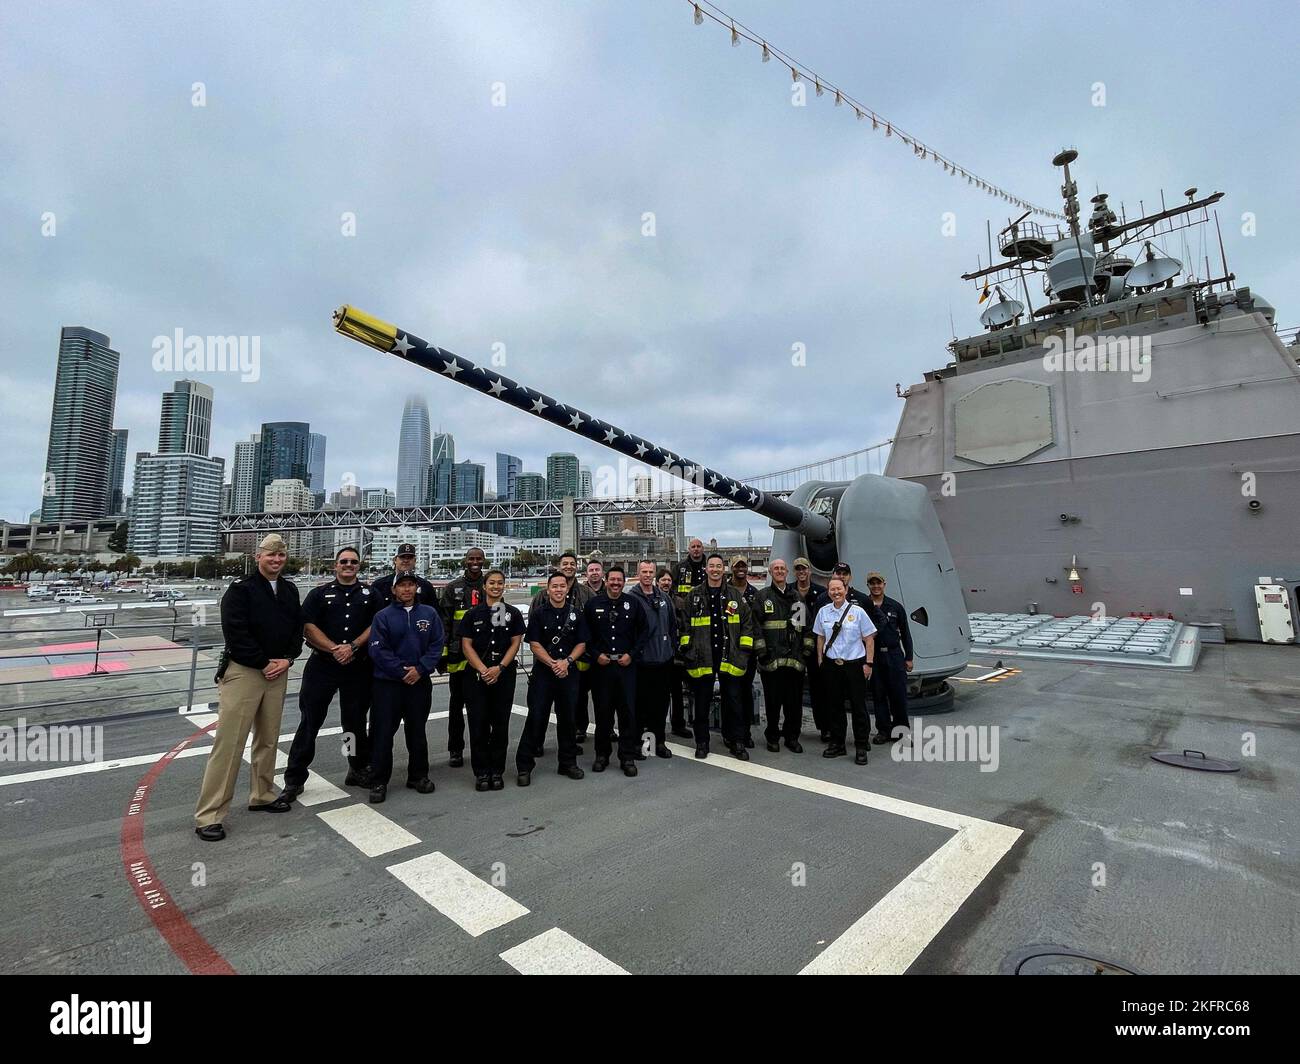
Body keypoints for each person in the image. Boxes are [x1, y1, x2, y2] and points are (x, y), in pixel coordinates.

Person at [194, 534, 303, 841]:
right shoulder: (241, 590)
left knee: (268, 739)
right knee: (230, 745)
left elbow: (298, 627)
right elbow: (235, 632)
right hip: (244, 672)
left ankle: (263, 794)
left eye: (281, 555)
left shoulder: (289, 589)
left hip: (278, 671)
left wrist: (288, 658)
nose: (277, 560)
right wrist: (263, 662)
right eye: (271, 555)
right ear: (258, 557)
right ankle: (209, 815)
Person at [281, 546, 377, 802]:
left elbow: (376, 623)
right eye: (343, 561)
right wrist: (335, 649)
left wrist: (353, 646)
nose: (348, 565)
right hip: (323, 665)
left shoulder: (370, 594)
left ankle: (355, 766)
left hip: (357, 667)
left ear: (359, 566)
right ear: (335, 566)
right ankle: (295, 778)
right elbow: (308, 626)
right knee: (310, 722)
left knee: (354, 723)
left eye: (353, 562)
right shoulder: (319, 594)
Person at [368, 572, 445, 802]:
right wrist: (401, 672)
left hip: (419, 683)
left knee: (417, 731)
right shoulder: (382, 616)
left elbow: (436, 644)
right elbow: (377, 649)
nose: (407, 589)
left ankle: (418, 775)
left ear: (416, 589)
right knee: (382, 733)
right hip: (388, 685)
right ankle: (379, 780)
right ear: (393, 590)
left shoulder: (429, 614)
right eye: (402, 586)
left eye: (411, 585)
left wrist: (420, 669)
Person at [679, 553, 756, 760]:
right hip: (703, 658)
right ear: (706, 569)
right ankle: (702, 742)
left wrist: (743, 651)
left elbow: (747, 624)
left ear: (724, 570)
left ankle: (736, 741)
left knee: (734, 702)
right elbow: (684, 626)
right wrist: (688, 650)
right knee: (702, 703)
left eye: (718, 566)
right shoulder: (693, 596)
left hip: (729, 657)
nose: (715, 570)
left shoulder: (735, 596)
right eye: (711, 566)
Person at [517, 571, 588, 786]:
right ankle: (524, 766)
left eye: (562, 586)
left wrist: (566, 662)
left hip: (568, 672)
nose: (558, 590)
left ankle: (567, 763)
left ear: (567, 589)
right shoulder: (539, 614)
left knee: (567, 720)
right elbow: (534, 643)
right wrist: (553, 664)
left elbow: (582, 643)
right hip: (544, 674)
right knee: (536, 717)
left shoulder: (576, 614)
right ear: (547, 590)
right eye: (554, 586)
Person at [458, 569, 525, 791]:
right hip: (477, 676)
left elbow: (516, 642)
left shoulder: (513, 614)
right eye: (492, 583)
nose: (496, 586)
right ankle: (481, 772)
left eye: (500, 583)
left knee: (500, 725)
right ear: (484, 587)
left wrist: (500, 667)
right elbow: (466, 644)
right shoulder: (472, 614)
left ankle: (497, 771)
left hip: (503, 675)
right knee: (478, 725)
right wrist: (483, 669)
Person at [531, 552, 597, 747]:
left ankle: (576, 736)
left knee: (575, 703)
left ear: (577, 567)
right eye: (565, 564)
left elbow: (593, 626)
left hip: (578, 660)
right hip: (545, 663)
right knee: (540, 707)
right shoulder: (541, 597)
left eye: (572, 564)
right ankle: (537, 742)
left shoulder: (587, 594)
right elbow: (534, 630)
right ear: (559, 567)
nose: (569, 567)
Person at [584, 565, 646, 775]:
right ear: (606, 580)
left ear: (624, 581)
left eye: (620, 580)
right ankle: (602, 755)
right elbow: (586, 635)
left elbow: (643, 633)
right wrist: (595, 654)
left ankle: (627, 757)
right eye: (612, 579)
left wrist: (632, 654)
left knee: (627, 713)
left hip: (626, 667)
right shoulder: (593, 605)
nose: (616, 583)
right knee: (603, 714)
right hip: (602, 669)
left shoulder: (633, 604)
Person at [813, 576, 876, 764]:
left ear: (846, 590)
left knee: (858, 707)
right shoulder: (823, 612)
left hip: (854, 664)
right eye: (832, 589)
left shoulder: (858, 612)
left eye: (839, 589)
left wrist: (869, 664)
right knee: (834, 706)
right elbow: (820, 638)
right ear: (828, 591)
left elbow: (869, 639)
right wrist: (820, 661)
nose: (836, 592)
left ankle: (861, 746)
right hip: (832, 665)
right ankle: (838, 743)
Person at [438, 547, 487, 767]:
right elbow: (444, 623)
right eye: (471, 559)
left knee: (484, 706)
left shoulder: (490, 586)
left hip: (484, 655)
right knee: (456, 706)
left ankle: (482, 744)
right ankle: (455, 749)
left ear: (483, 561)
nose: (475, 562)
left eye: (478, 559)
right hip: (458, 656)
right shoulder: (452, 588)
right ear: (465, 562)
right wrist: (443, 655)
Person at [752, 559, 806, 753]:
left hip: (794, 661)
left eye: (783, 568)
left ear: (787, 572)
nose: (780, 571)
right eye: (776, 568)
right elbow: (756, 627)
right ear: (770, 572)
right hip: (771, 661)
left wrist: (805, 651)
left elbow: (802, 627)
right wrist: (761, 653)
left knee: (794, 704)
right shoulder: (762, 597)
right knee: (773, 703)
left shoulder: (797, 598)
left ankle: (792, 737)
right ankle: (773, 737)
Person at [628, 560, 678, 758]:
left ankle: (659, 743)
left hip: (663, 661)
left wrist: (672, 648)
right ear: (638, 573)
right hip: (642, 663)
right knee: (641, 706)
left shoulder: (664, 598)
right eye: (644, 572)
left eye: (651, 572)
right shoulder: (631, 599)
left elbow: (673, 626)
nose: (647, 575)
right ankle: (640, 744)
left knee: (660, 705)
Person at [865, 571, 914, 744]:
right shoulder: (865, 607)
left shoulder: (895, 607)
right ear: (868, 586)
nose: (876, 586)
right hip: (875, 655)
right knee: (879, 695)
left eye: (879, 583)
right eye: (872, 583)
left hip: (894, 655)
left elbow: (906, 633)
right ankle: (883, 731)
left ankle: (901, 732)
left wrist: (909, 657)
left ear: (884, 584)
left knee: (898, 695)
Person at [793, 558, 829, 741]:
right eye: (798, 569)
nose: (801, 572)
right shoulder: (789, 592)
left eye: (804, 569)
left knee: (819, 690)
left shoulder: (821, 594)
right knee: (794, 690)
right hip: (796, 647)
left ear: (809, 571)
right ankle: (793, 729)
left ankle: (824, 728)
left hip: (816, 648)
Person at [729, 556, 759, 747]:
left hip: (749, 652)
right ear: (731, 568)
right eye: (737, 566)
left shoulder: (755, 593)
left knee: (746, 692)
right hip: (729, 651)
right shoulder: (725, 592)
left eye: (743, 566)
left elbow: (757, 622)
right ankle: (731, 733)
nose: (741, 569)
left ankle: (745, 733)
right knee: (731, 694)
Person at [659, 567, 692, 739]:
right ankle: (654, 726)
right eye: (663, 580)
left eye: (668, 580)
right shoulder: (653, 600)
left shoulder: (680, 602)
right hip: (659, 654)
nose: (666, 583)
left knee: (677, 691)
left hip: (677, 653)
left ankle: (678, 724)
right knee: (659, 693)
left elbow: (685, 624)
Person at [370, 543, 438, 608]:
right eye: (402, 557)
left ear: (415, 561)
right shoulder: (379, 585)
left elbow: (435, 613)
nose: (406, 560)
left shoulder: (426, 586)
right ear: (395, 560)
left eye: (410, 557)